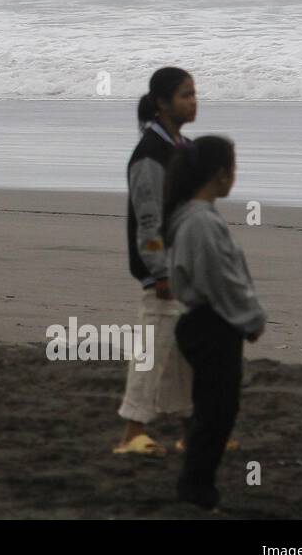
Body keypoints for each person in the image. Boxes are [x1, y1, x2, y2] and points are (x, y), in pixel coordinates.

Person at [163, 136, 267, 510]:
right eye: (232, 167)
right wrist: (251, 318)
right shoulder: (200, 222)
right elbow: (220, 279)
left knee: (214, 409)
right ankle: (196, 487)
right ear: (221, 173)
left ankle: (197, 484)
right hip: (213, 325)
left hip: (205, 322)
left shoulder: (191, 217)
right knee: (216, 411)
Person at [113, 67, 196, 456]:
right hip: (161, 272)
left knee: (183, 354)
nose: (193, 101)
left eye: (194, 93)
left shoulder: (184, 147)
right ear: (162, 103)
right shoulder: (150, 155)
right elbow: (148, 220)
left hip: (186, 267)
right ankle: (132, 433)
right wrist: (159, 271)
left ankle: (190, 431)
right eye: (185, 95)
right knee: (152, 348)